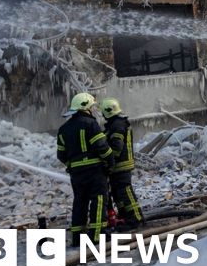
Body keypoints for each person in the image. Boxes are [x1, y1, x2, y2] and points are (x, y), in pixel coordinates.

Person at [56, 92, 113, 245]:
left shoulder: (64, 129)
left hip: (76, 174)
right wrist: (110, 161)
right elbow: (102, 147)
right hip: (95, 171)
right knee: (99, 200)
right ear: (86, 107)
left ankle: (77, 238)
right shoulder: (90, 124)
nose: (94, 110)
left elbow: (61, 155)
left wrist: (72, 165)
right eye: (92, 107)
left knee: (80, 202)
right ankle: (96, 236)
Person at [100, 97, 144, 230]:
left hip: (121, 166)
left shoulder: (117, 125)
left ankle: (135, 218)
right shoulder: (116, 123)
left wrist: (109, 160)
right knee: (117, 193)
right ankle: (125, 217)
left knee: (125, 192)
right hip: (118, 167)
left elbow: (117, 146)